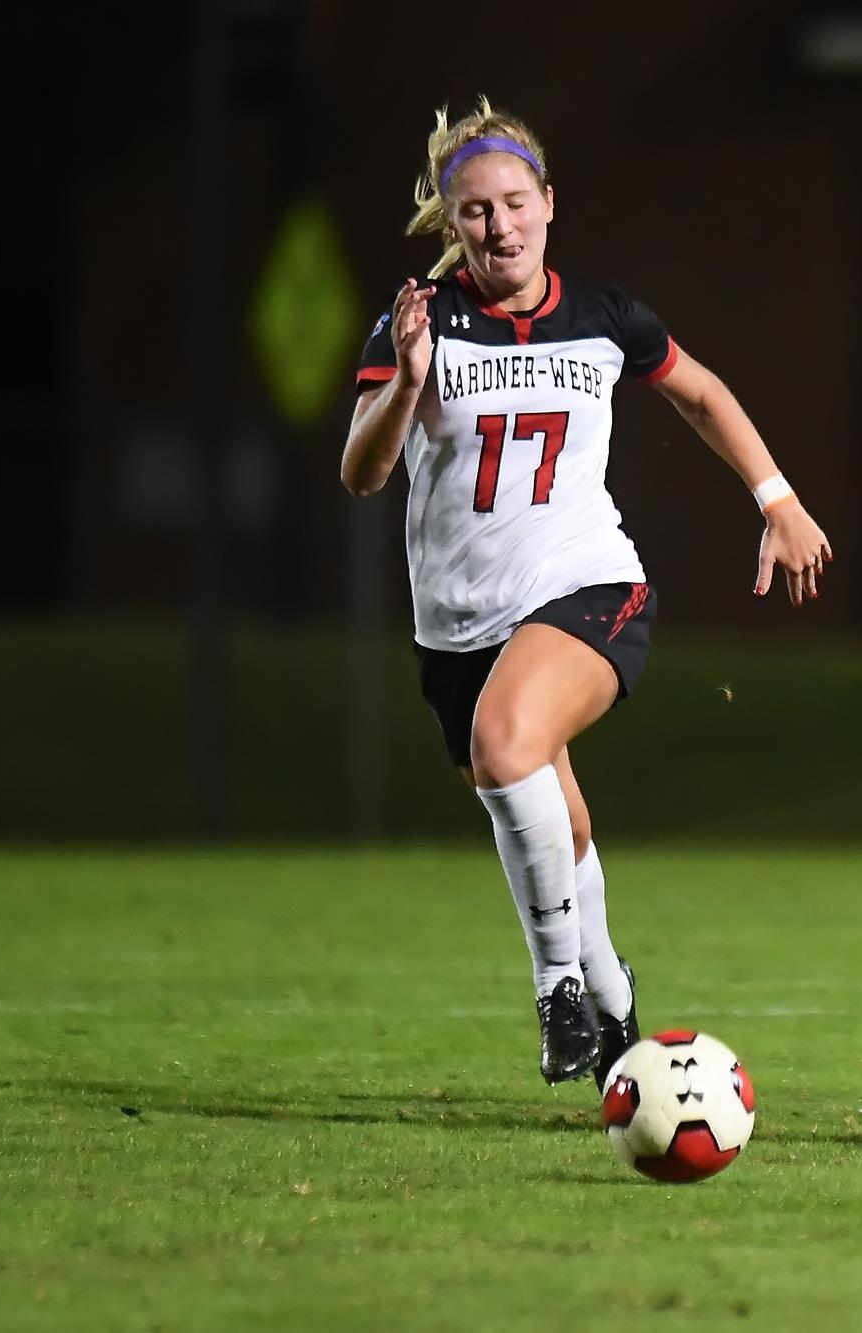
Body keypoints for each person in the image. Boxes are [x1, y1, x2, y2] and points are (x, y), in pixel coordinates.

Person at [341, 99, 832, 1089]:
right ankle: (613, 1004)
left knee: (505, 746)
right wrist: (404, 382)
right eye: (475, 211)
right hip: (457, 624)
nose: (500, 226)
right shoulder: (419, 324)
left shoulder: (604, 315)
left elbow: (697, 390)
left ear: (548, 204)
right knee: (549, 814)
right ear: (450, 222)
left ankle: (558, 985)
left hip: (587, 584)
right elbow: (360, 472)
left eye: (515, 203)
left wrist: (775, 498)